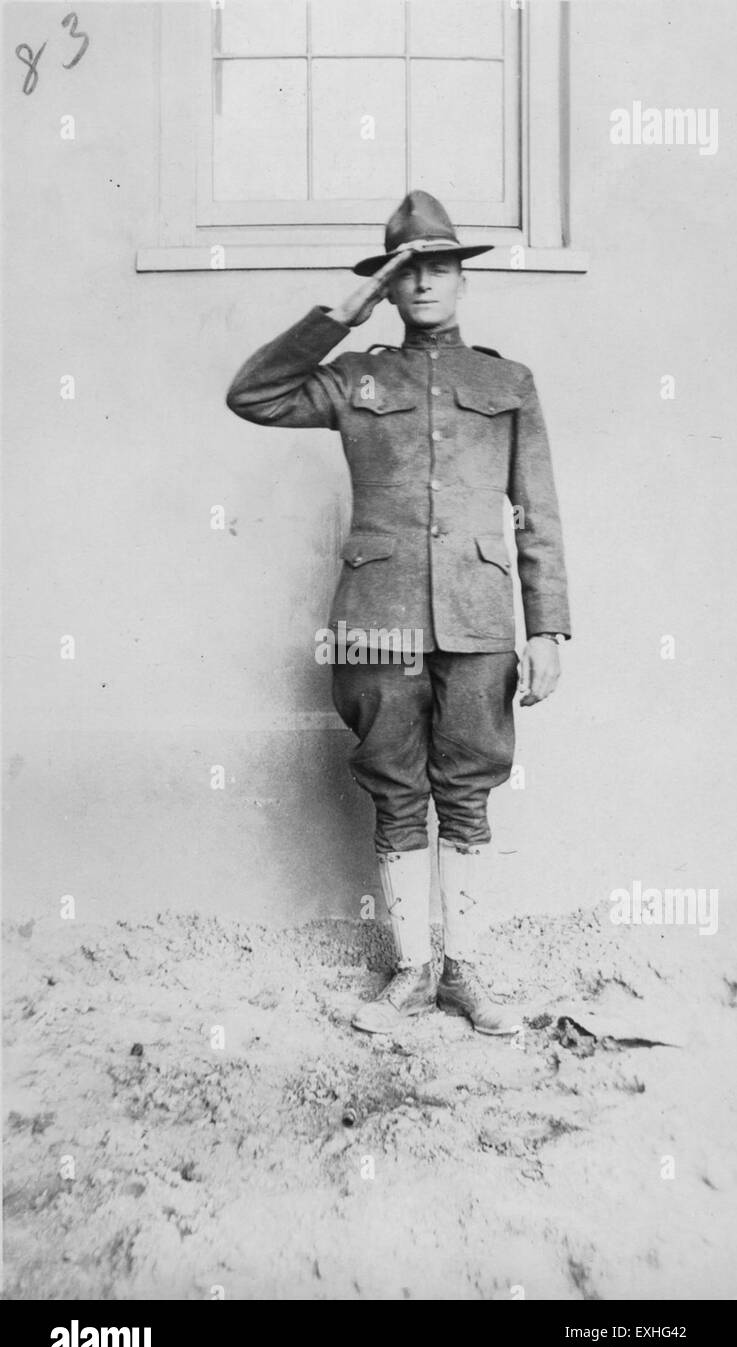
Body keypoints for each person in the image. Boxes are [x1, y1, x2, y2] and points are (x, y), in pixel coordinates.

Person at [226, 191, 571, 1036]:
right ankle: (413, 972)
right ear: (387, 284)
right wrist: (341, 313)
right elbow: (254, 394)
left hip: (480, 616)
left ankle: (468, 971)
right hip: (376, 617)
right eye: (404, 270)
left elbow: (536, 511)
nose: (423, 284)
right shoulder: (355, 376)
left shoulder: (506, 381)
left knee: (469, 794)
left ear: (462, 280)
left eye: (439, 267)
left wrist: (549, 629)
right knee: (394, 790)